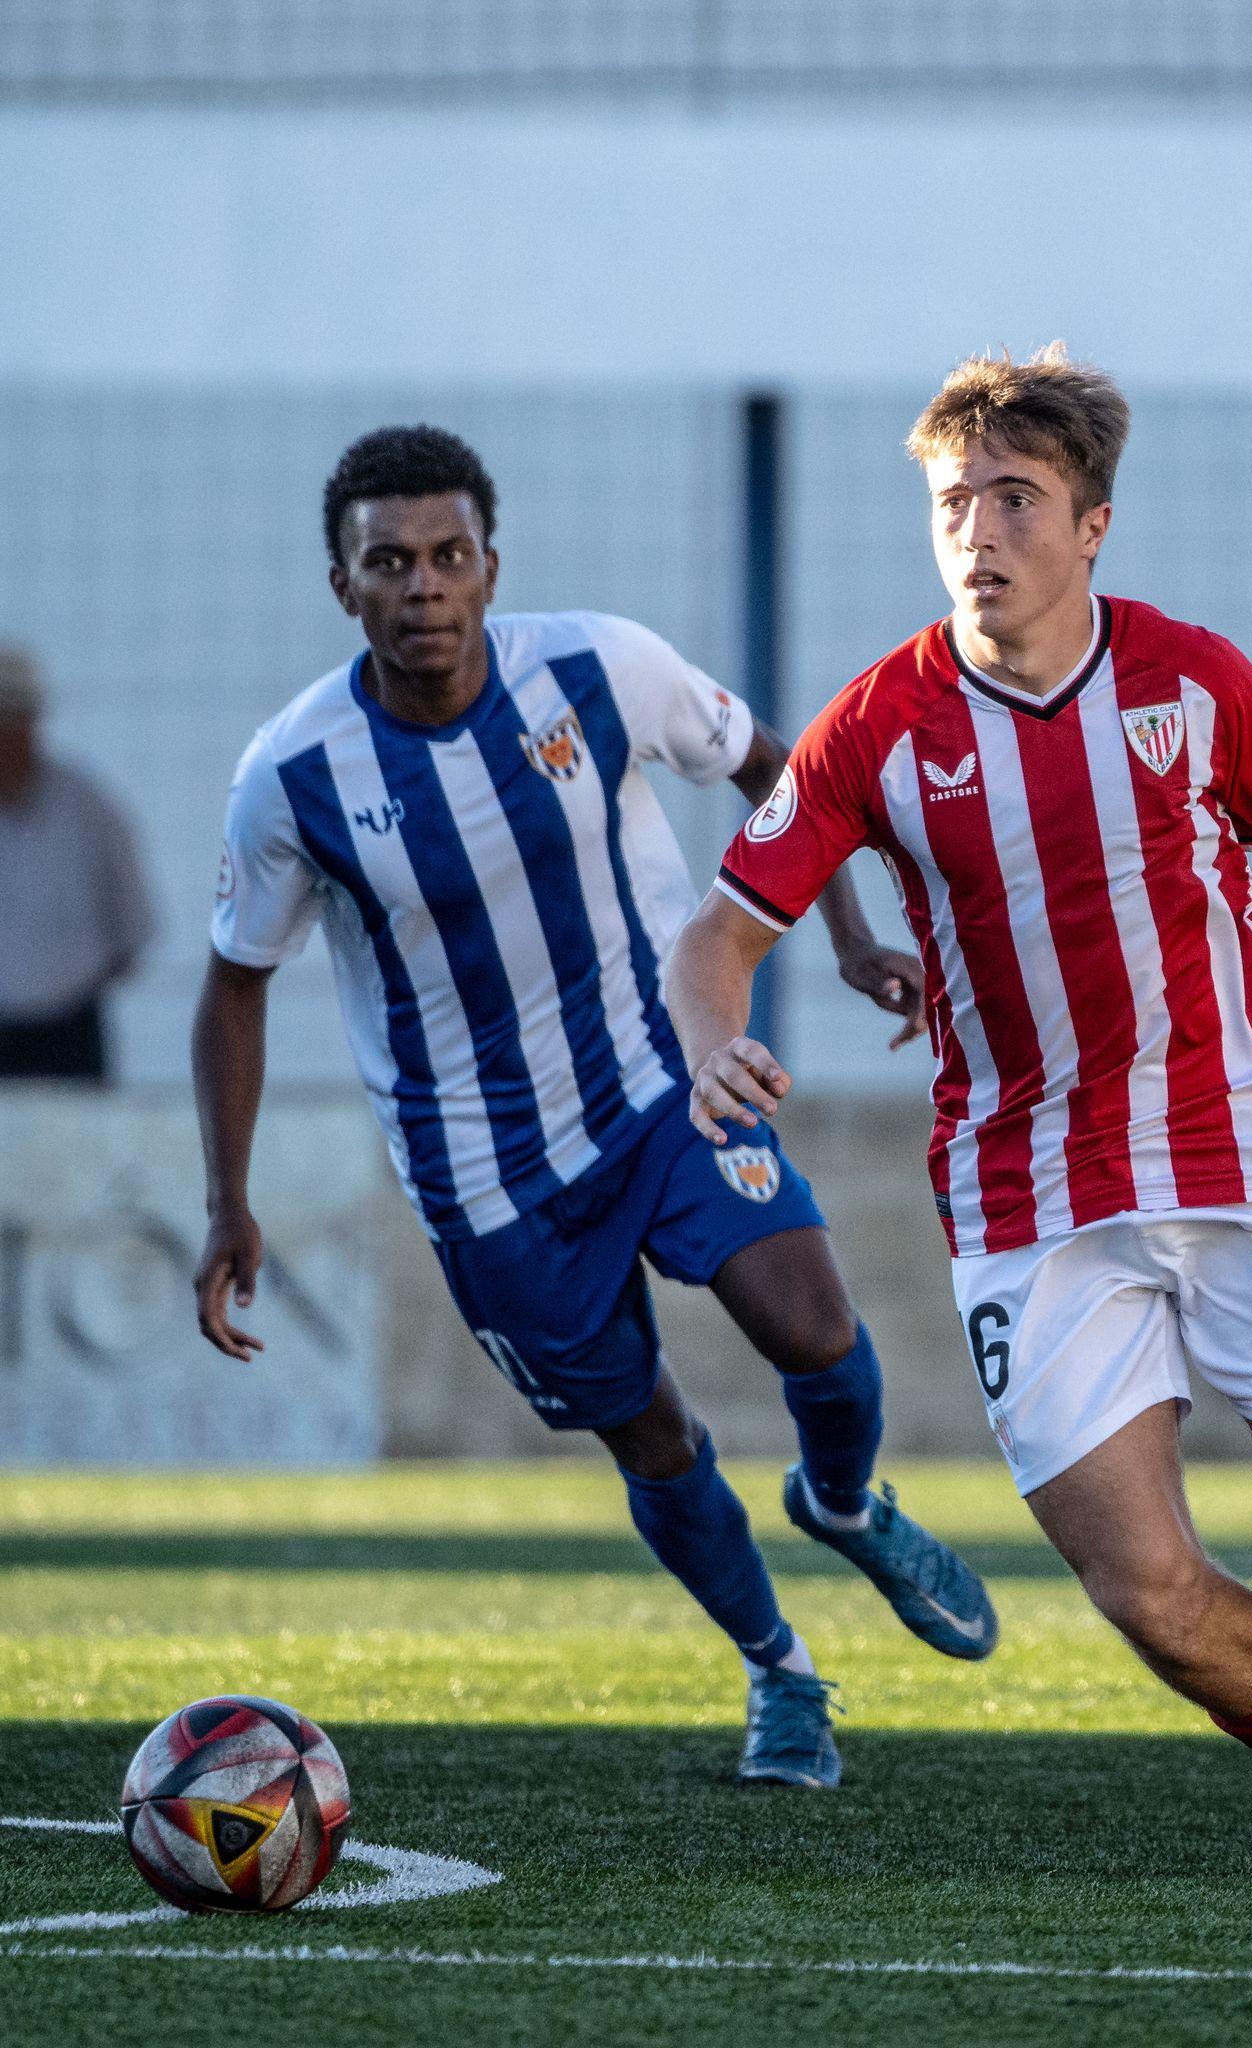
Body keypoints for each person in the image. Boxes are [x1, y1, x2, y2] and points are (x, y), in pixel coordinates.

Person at [668, 347, 1252, 1902]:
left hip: (1245, 1154)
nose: (977, 532)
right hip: (1027, 1202)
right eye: (952, 503)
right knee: (1139, 1589)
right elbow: (720, 938)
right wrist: (712, 1049)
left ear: (1090, 525)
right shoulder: (875, 725)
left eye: (1013, 498)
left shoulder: (1191, 683)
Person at [191, 424, 997, 1791]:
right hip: (486, 1179)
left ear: (490, 566)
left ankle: (844, 1500)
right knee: (650, 1431)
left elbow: (775, 769)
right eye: (389, 563)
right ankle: (781, 1674)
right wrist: (229, 1200)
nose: (424, 587)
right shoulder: (295, 777)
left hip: (662, 1081)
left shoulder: (596, 667)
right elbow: (233, 986)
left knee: (811, 1324)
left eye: (448, 557)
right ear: (345, 587)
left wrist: (850, 935)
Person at [0, 645, 157, 1081]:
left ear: (34, 722)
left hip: (69, 1035)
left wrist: (70, 986)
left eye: (15, 720)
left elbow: (135, 925)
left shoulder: (88, 810)